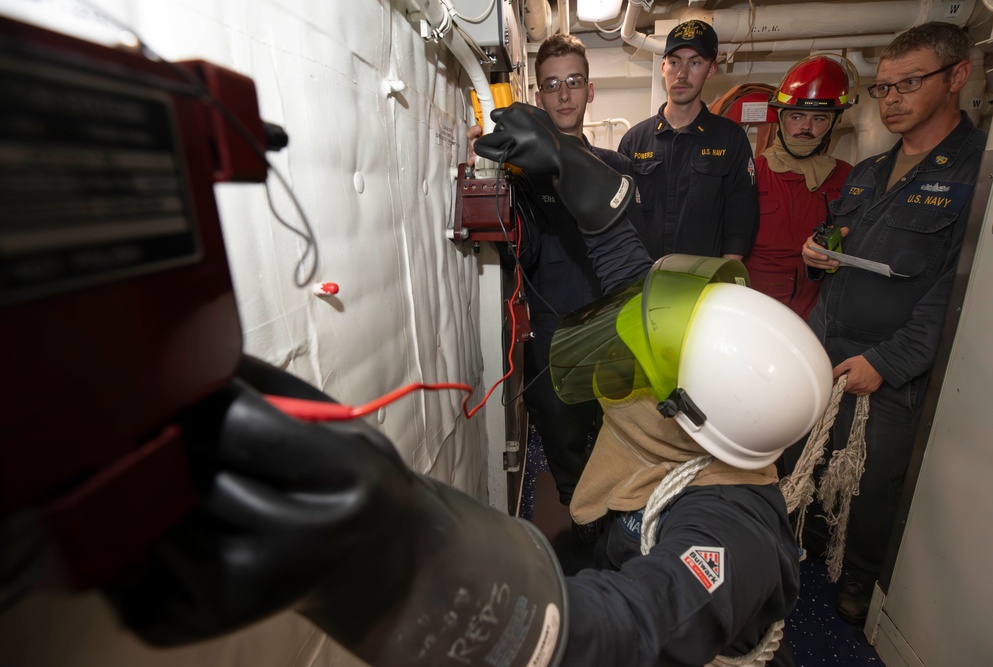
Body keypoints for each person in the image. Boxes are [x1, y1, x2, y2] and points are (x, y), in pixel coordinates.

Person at [86, 102, 832, 667]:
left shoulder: (732, 531)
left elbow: (634, 625)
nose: (622, 364)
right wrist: (574, 169)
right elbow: (638, 281)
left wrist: (396, 573)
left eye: (640, 367)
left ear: (684, 415)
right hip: (615, 539)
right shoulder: (709, 403)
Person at [785, 21, 986, 625]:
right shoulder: (870, 171)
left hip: (890, 362)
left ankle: (861, 577)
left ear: (957, 78)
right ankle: (814, 543)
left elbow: (954, 293)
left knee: (872, 482)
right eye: (883, 88)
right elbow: (838, 246)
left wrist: (887, 363)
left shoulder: (977, 175)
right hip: (828, 342)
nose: (892, 99)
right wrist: (814, 253)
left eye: (908, 84)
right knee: (808, 456)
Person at [467, 33, 642, 515]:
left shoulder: (617, 170)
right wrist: (493, 175)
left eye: (573, 81)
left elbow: (636, 254)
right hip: (554, 337)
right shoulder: (523, 177)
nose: (564, 94)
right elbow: (520, 255)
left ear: (590, 91)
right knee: (563, 443)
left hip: (615, 332)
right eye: (551, 85)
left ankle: (618, 522)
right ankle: (579, 514)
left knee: (624, 438)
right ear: (539, 97)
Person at [617, 19, 758, 260]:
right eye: (674, 62)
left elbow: (740, 221)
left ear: (711, 69)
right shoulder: (634, 141)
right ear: (663, 68)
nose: (681, 74)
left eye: (695, 63)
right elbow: (620, 221)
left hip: (704, 283)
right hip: (644, 281)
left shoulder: (730, 139)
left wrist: (723, 282)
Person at [743, 56, 855, 320]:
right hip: (755, 312)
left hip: (817, 315)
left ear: (833, 124)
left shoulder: (848, 177)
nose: (806, 127)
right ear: (781, 118)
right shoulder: (751, 172)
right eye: (797, 116)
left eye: (819, 119)